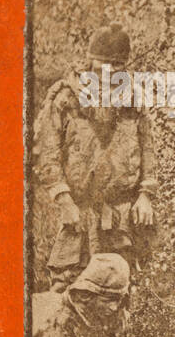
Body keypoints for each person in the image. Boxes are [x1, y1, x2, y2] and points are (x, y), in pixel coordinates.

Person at [33, 22, 157, 291]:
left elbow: (147, 150)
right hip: (78, 214)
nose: (109, 73)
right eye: (103, 65)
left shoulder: (133, 101)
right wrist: (64, 200)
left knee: (119, 295)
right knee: (67, 292)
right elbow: (47, 155)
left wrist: (146, 194)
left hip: (121, 218)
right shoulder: (65, 99)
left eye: (117, 67)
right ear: (90, 61)